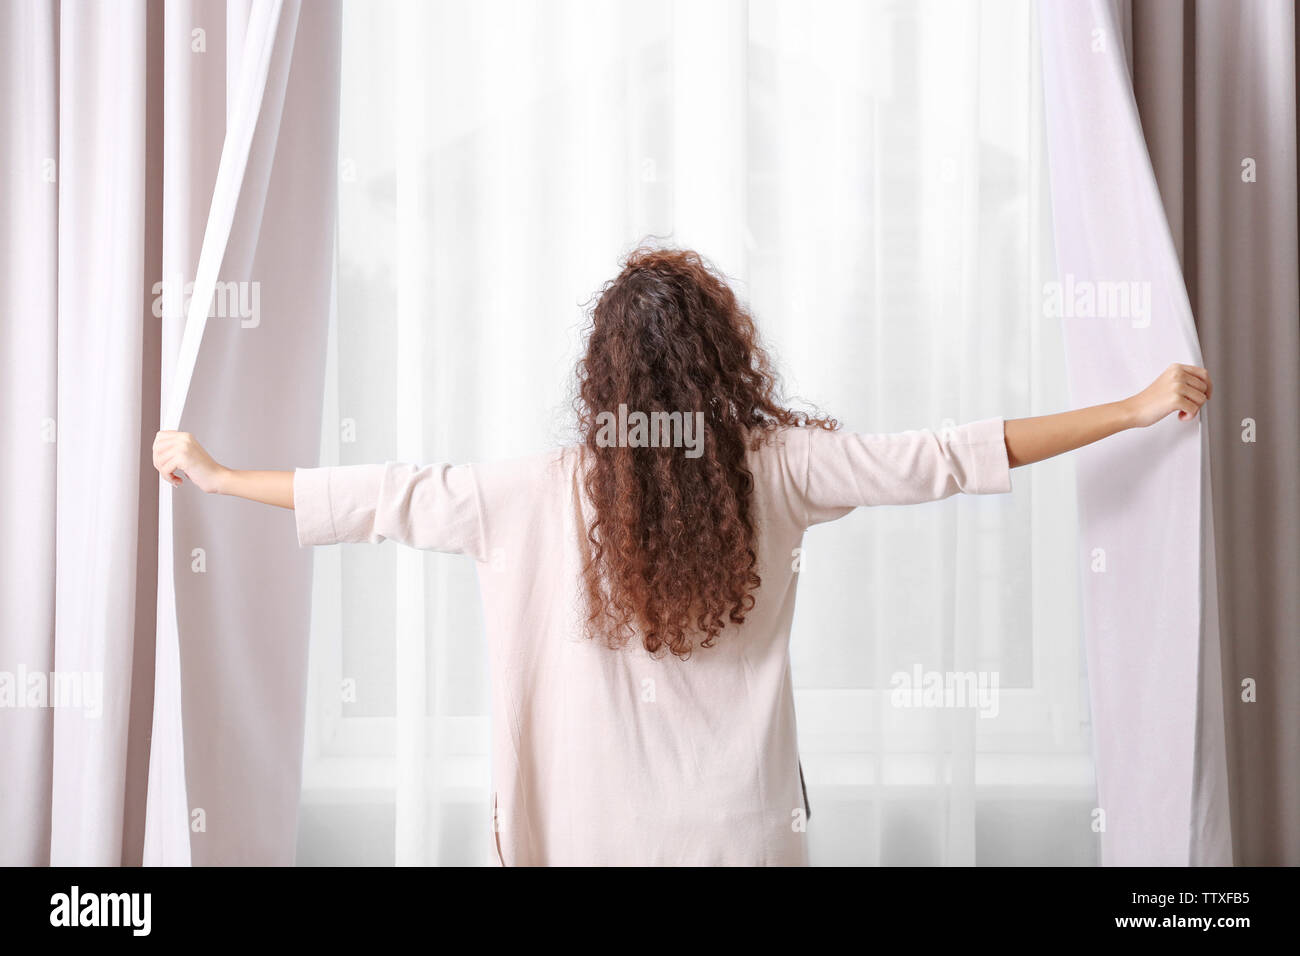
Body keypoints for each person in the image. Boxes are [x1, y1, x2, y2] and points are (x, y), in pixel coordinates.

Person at [152, 246, 1212, 866]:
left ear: (603, 379)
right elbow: (945, 456)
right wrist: (1129, 405)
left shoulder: (532, 494)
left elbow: (381, 494)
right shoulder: (780, 468)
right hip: (741, 840)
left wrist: (217, 471)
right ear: (722, 360)